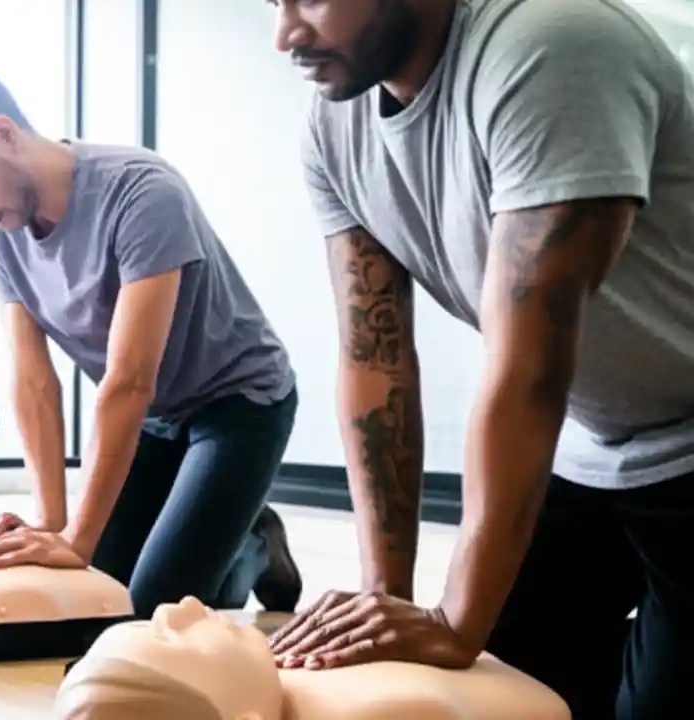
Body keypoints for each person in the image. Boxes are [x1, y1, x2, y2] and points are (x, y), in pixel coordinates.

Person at [265, 2, 694, 719]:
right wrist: (387, 600)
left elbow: (529, 365)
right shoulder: (333, 122)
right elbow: (377, 361)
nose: (284, 35)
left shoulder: (553, 45)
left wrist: (454, 622)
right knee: (504, 695)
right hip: (585, 443)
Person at [0, 66, 303, 617]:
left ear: (4, 136)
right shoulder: (4, 234)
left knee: (149, 607)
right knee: (91, 596)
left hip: (238, 404)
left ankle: (253, 542)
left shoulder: (141, 191)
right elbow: (34, 382)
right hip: (157, 420)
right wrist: (51, 523)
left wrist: (77, 541)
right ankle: (224, 517)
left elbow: (129, 380)